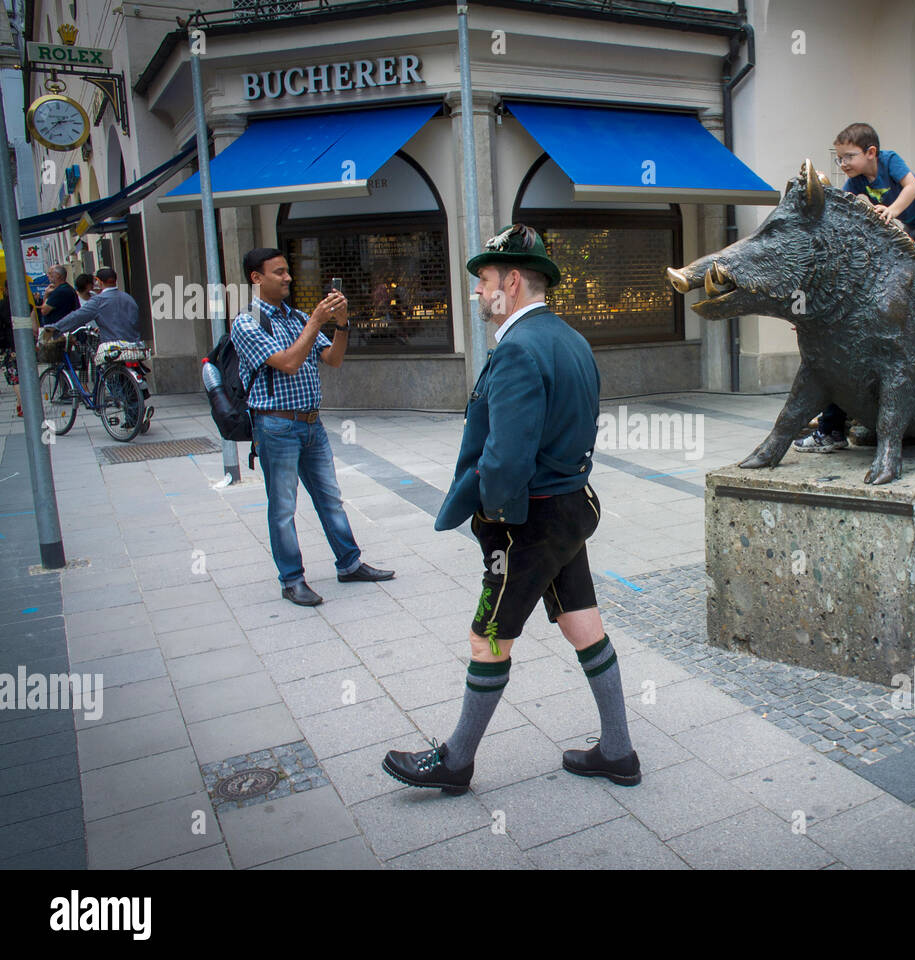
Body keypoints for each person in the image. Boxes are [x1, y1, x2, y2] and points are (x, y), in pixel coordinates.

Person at [381, 224, 640, 794]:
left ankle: (455, 762)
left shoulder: (519, 348)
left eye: (483, 281)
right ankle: (618, 751)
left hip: (528, 520)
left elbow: (506, 457)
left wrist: (490, 518)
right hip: (569, 507)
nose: (477, 292)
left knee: (488, 637)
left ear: (513, 282)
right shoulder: (570, 338)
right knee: (582, 623)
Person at [795, 122, 915, 452]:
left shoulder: (890, 161)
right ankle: (837, 426)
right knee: (910, 267)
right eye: (839, 159)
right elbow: (849, 211)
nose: (843, 164)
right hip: (908, 223)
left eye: (848, 157)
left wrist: (891, 210)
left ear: (871, 153)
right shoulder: (855, 182)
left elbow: (911, 190)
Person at [230, 247, 394, 606]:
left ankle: (349, 564)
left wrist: (343, 323)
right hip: (275, 426)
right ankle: (292, 580)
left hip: (311, 424)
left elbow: (333, 359)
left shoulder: (297, 316)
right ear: (256, 278)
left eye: (288, 271)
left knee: (330, 499)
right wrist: (316, 322)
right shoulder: (247, 322)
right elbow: (288, 363)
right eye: (278, 273)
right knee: (283, 507)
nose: (288, 278)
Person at [43, 267, 142, 342]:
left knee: (99, 365)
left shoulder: (98, 301)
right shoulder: (128, 298)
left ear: (98, 281)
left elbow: (77, 316)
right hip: (134, 344)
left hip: (113, 346)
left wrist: (56, 327)